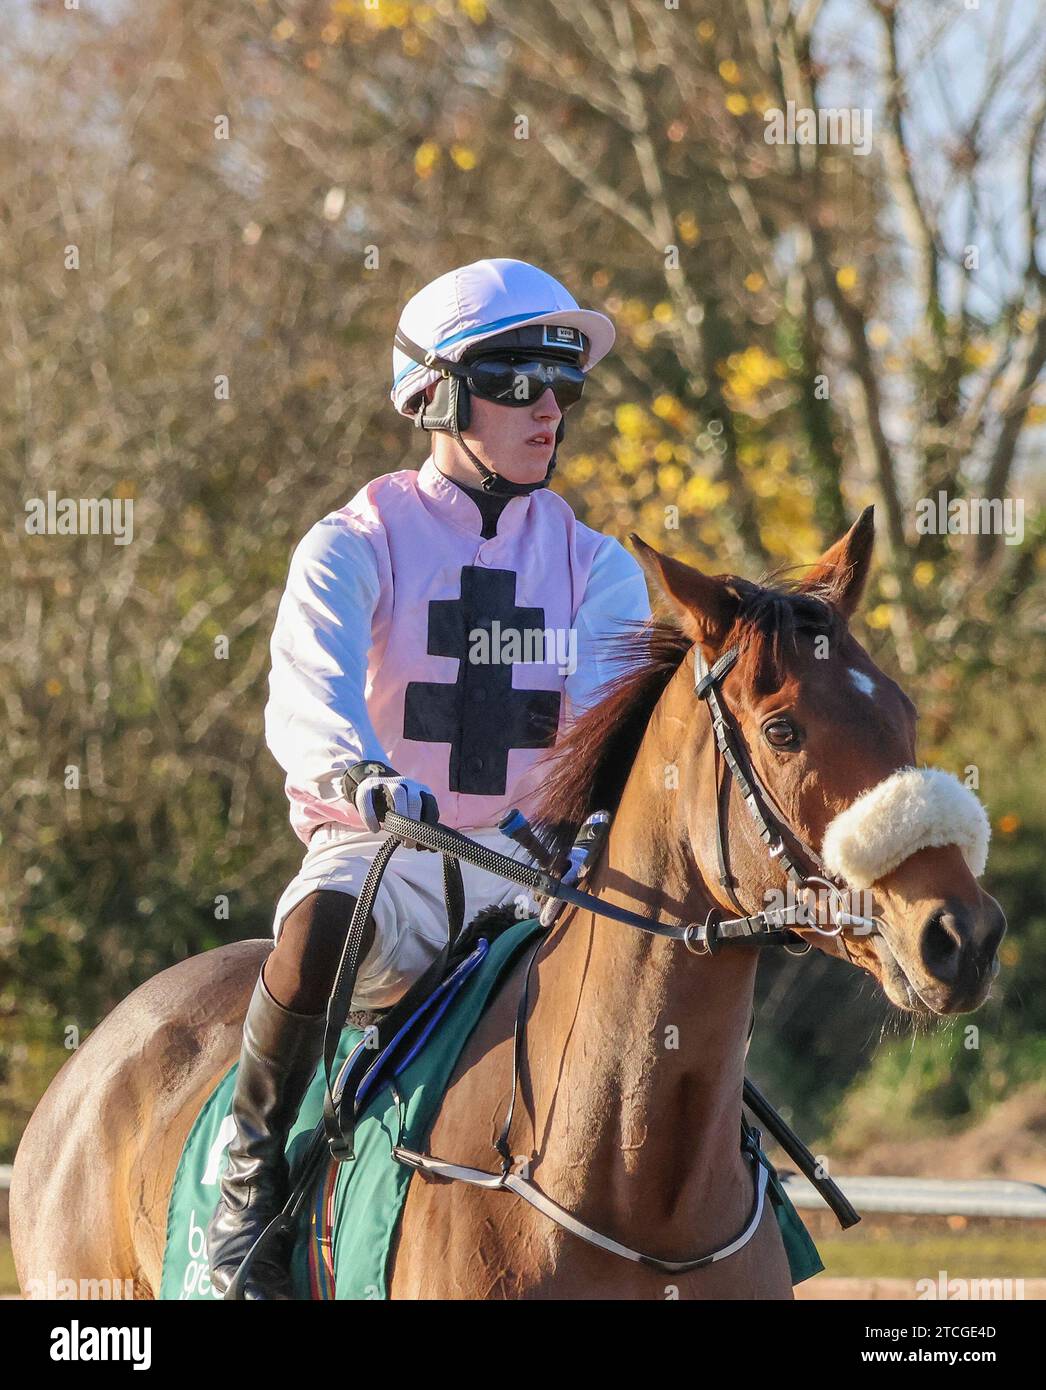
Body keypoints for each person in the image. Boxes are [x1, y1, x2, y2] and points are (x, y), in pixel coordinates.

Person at [207, 257, 652, 1297]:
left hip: (531, 868)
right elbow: (306, 688)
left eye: (564, 386)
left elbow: (601, 727)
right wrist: (352, 770)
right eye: (517, 384)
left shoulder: (600, 566)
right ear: (437, 397)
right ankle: (248, 1181)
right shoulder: (349, 543)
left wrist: (586, 820)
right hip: (387, 853)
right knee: (316, 923)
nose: (549, 410)